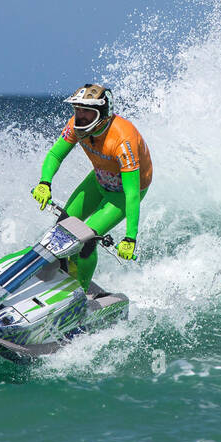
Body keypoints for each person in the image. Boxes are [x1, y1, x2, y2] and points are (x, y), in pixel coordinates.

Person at [30, 83, 152, 290]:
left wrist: (130, 238)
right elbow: (55, 155)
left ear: (102, 113)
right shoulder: (77, 127)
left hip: (123, 193)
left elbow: (132, 194)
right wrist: (44, 182)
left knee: (85, 241)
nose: (80, 115)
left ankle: (81, 292)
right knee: (61, 230)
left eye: (86, 111)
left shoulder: (123, 139)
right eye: (77, 110)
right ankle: (63, 275)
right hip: (99, 180)